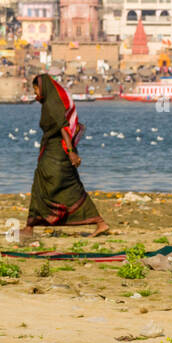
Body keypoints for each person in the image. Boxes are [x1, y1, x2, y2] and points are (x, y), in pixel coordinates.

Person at [21, 74, 108, 240]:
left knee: (49, 185)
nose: (35, 92)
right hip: (52, 151)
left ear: (44, 87)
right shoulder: (49, 102)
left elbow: (63, 127)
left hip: (57, 152)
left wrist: (70, 152)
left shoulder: (53, 103)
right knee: (68, 185)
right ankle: (100, 222)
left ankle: (30, 227)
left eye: (36, 89)